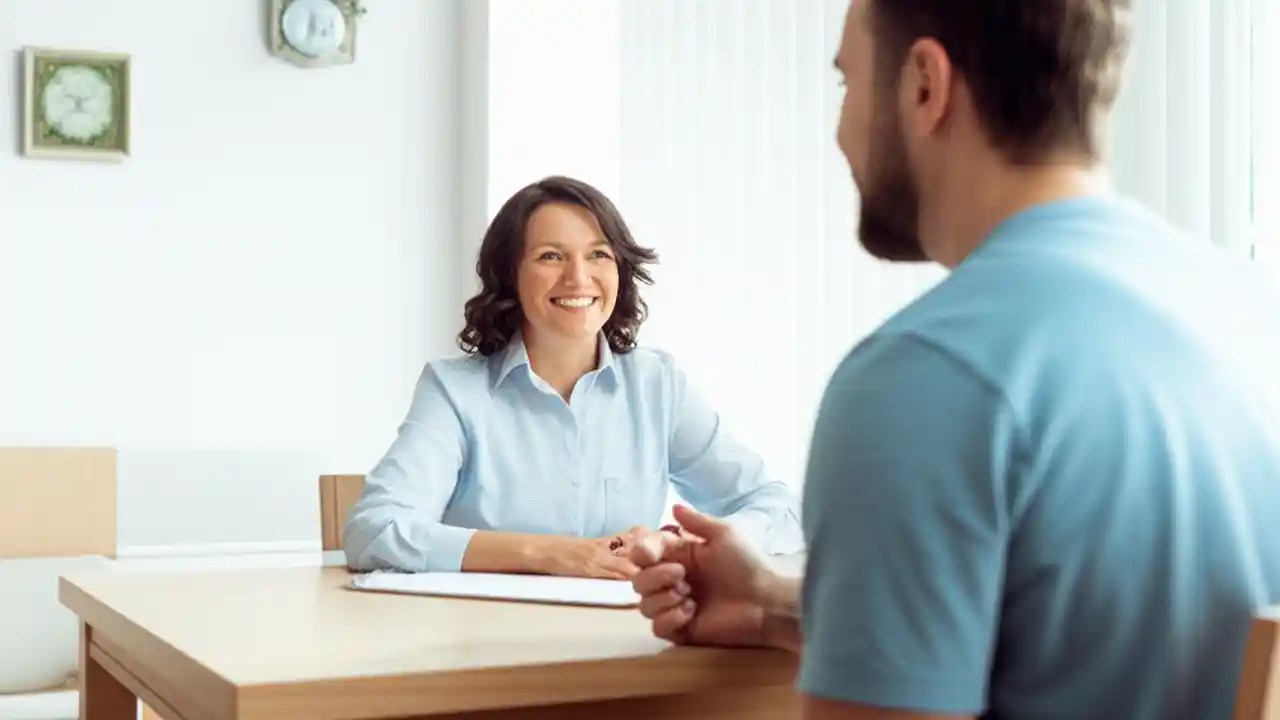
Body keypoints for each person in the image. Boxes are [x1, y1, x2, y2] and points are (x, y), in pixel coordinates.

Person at [630, 1, 1280, 719]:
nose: (840, 133)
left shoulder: (925, 378)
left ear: (924, 85)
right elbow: (1106, 653)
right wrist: (771, 606)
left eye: (848, 82)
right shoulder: (1252, 312)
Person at [343, 175, 802, 579]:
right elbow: (375, 531)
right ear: (510, 275)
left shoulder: (658, 385)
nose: (578, 278)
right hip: (485, 637)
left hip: (627, 634)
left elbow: (781, 510)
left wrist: (680, 544)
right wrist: (554, 554)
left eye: (598, 254)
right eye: (551, 256)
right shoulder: (454, 390)